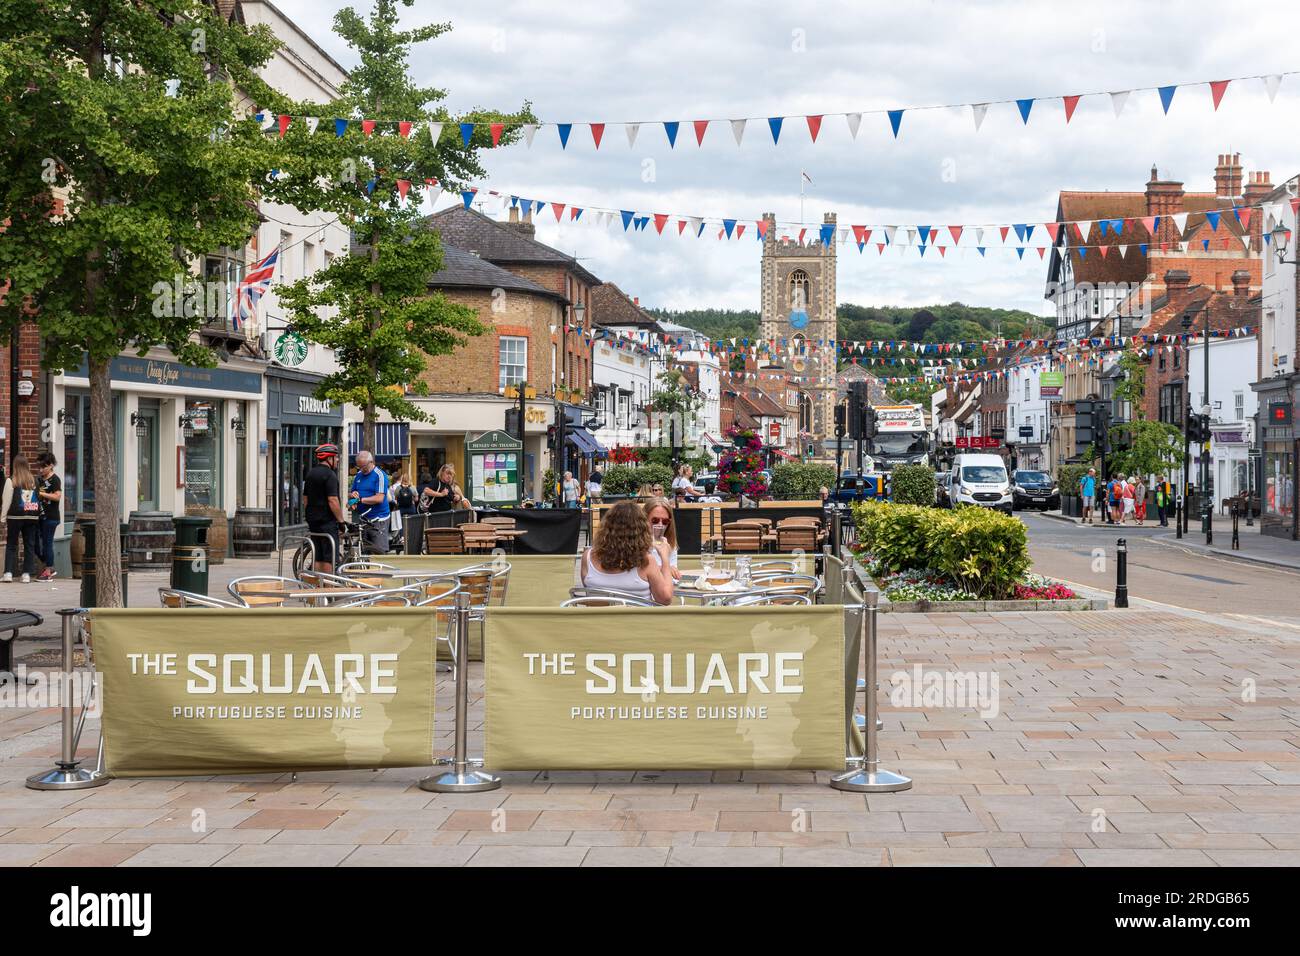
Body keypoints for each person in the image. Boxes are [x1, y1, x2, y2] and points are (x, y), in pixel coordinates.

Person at [580, 500, 675, 605]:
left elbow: (590, 594)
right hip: (636, 620)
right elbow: (665, 599)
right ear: (641, 530)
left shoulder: (587, 557)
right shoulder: (646, 562)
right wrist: (665, 559)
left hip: (597, 620)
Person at [303, 444, 347, 572]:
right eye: (336, 457)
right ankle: (327, 588)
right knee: (329, 558)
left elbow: (305, 499)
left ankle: (317, 588)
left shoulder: (311, 473)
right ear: (329, 458)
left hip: (313, 521)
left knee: (318, 556)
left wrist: (310, 514)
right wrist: (341, 521)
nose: (338, 460)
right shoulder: (330, 475)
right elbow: (332, 500)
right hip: (327, 522)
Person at [1, 456, 42, 583]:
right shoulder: (34, 481)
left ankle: (8, 573)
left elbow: (6, 500)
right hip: (31, 516)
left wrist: (2, 518)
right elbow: (38, 498)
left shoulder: (11, 480)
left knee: (12, 544)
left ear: (15, 466)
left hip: (15, 516)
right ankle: (26, 574)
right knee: (29, 545)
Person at [349, 450, 391, 554]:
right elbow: (352, 493)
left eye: (363, 466)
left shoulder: (380, 475)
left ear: (371, 462)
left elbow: (379, 498)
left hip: (378, 519)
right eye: (359, 466)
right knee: (363, 550)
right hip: (363, 519)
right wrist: (352, 497)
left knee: (378, 551)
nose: (361, 469)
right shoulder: (358, 475)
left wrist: (361, 500)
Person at [34, 452, 62, 580]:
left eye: (43, 467)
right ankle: (49, 566)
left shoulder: (55, 479)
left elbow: (57, 496)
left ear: (50, 465)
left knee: (47, 543)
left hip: (51, 517)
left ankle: (49, 569)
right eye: (38, 467)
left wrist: (41, 494)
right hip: (39, 516)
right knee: (36, 545)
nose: (40, 470)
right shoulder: (39, 480)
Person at [643, 497, 682, 581]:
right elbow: (636, 572)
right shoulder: (634, 541)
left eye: (665, 521)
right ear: (644, 519)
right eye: (655, 520)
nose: (660, 525)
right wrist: (663, 568)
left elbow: (674, 577)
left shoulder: (669, 542)